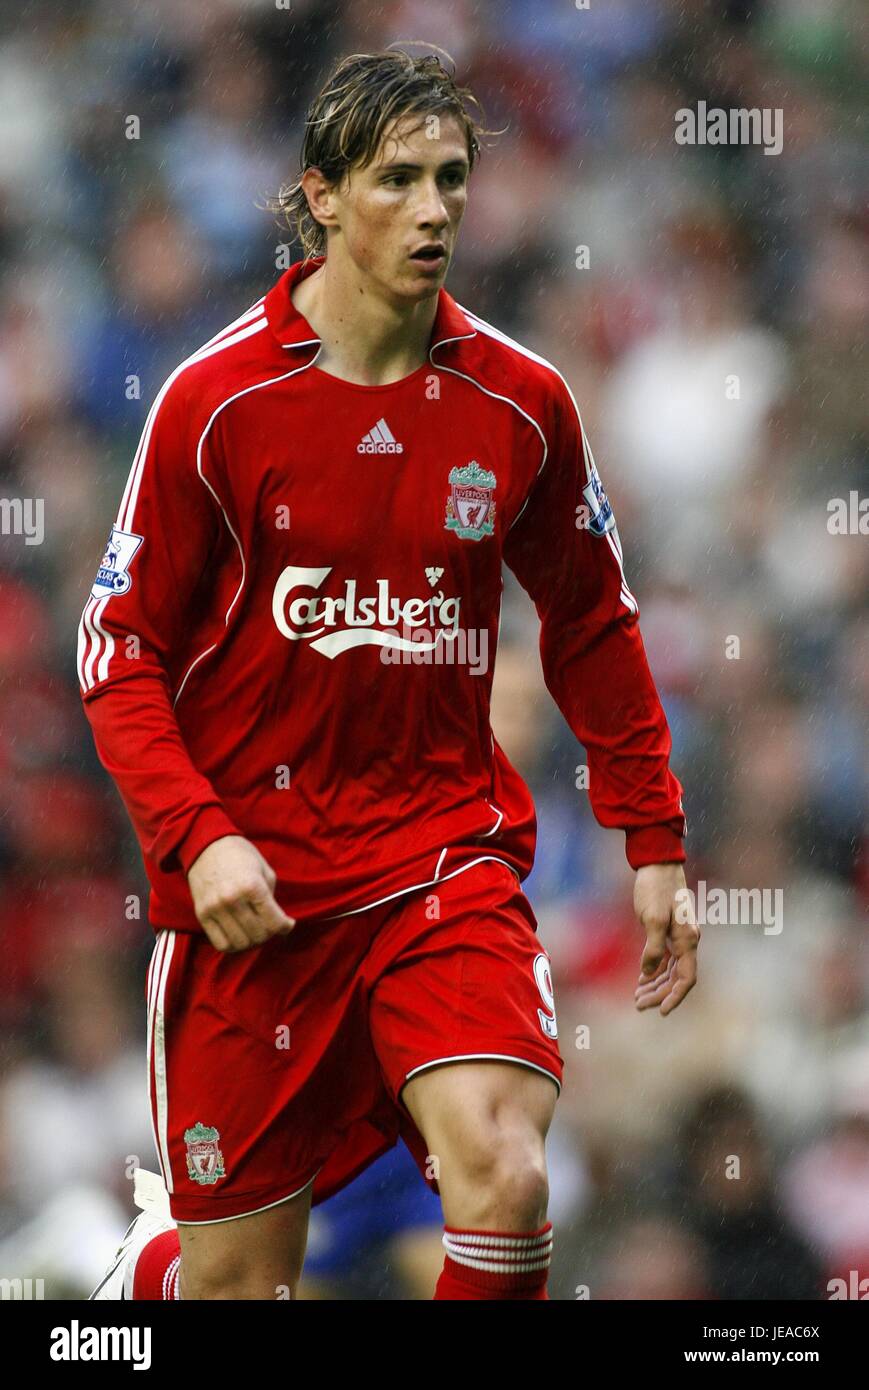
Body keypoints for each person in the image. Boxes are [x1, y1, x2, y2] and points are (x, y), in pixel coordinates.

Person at [78, 47, 698, 1302]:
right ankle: (146, 1281)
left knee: (507, 1178)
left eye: (451, 180)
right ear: (319, 196)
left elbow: (591, 620)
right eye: (397, 181)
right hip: (258, 890)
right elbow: (116, 650)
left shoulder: (520, 402)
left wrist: (653, 834)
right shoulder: (214, 404)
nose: (432, 210)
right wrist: (198, 838)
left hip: (440, 859)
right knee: (240, 1285)